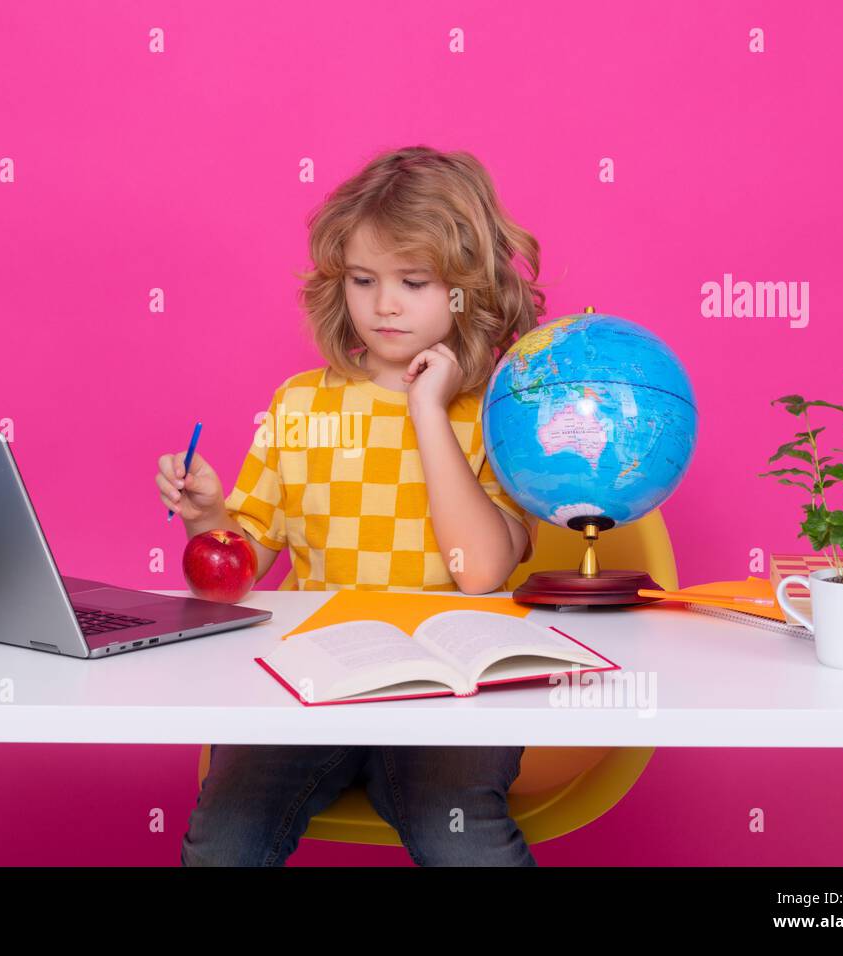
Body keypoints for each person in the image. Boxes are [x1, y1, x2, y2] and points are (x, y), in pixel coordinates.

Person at [154, 145, 548, 866]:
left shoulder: (499, 412)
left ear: (467, 288)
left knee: (460, 836)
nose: (385, 304)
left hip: (451, 691)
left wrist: (429, 408)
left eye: (414, 281)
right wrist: (207, 518)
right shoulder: (302, 403)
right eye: (364, 280)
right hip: (317, 676)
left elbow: (481, 573)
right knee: (225, 837)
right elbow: (240, 574)